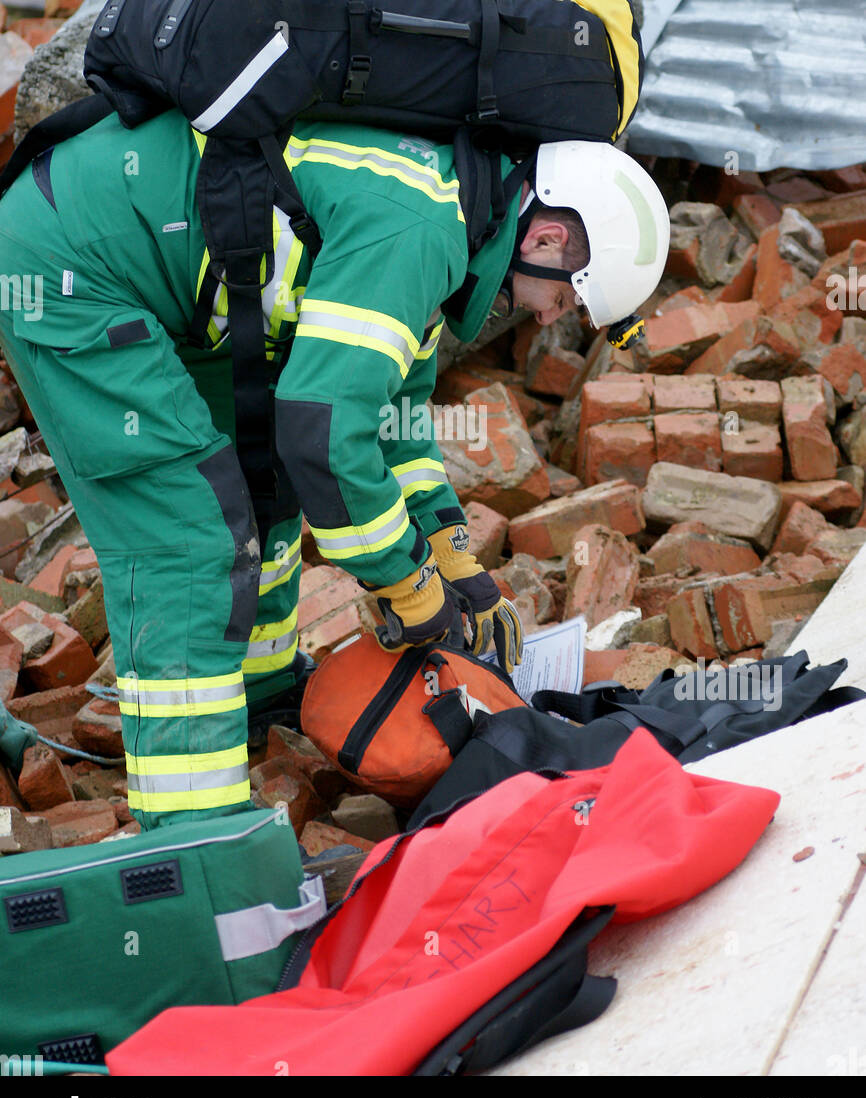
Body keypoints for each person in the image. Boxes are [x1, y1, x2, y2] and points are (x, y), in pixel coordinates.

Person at [0, 110, 669, 830]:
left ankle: (261, 696)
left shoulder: (457, 216)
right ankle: (197, 836)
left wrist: (455, 560)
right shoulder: (422, 231)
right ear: (548, 239)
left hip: (173, 282)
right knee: (190, 542)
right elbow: (325, 439)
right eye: (565, 300)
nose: (547, 321)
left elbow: (391, 420)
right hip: (72, 263)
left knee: (263, 477)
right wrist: (408, 586)